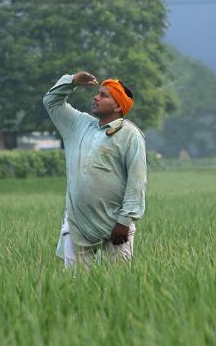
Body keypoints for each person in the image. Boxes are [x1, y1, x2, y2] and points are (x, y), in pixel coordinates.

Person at [43, 71, 148, 267]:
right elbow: (51, 102)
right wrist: (72, 81)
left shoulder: (130, 134)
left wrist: (124, 222)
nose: (95, 97)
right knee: (75, 285)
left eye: (103, 95)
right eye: (97, 93)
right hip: (78, 224)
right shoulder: (78, 124)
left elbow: (137, 181)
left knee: (118, 286)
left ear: (118, 105)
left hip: (116, 224)